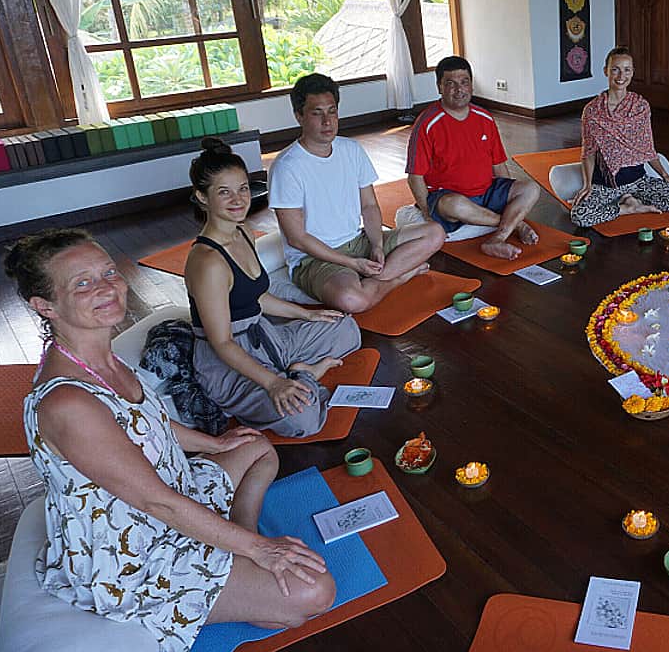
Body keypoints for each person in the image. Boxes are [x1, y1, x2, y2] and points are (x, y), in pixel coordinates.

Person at [6, 229, 335, 652]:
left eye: (108, 272)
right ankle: (238, 555)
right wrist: (263, 550)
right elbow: (154, 502)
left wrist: (215, 445)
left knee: (256, 449)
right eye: (82, 283)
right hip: (134, 547)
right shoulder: (67, 402)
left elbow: (147, 419)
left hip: (173, 491)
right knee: (315, 593)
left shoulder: (104, 356)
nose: (106, 287)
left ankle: (233, 542)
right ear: (44, 305)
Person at [186, 139, 362, 438]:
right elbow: (222, 343)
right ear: (202, 197)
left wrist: (307, 316)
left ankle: (297, 372)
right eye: (224, 192)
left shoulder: (242, 232)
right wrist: (273, 383)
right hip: (230, 361)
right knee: (303, 419)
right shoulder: (207, 262)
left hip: (265, 336)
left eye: (243, 188)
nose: (238, 199)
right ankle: (304, 374)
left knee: (346, 327)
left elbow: (256, 297)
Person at [270, 73, 444, 313]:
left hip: (359, 242)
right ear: (299, 116)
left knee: (435, 233)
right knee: (352, 300)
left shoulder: (351, 149)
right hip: (315, 259)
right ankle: (399, 277)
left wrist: (376, 246)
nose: (327, 121)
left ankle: (373, 278)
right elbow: (297, 238)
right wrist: (351, 263)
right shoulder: (286, 167)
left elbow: (369, 206)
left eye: (332, 111)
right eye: (316, 113)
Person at [406, 56, 542, 260]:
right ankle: (515, 224)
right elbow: (415, 177)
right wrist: (427, 214)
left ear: (471, 85)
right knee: (455, 205)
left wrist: (508, 194)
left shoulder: (484, 118)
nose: (459, 89)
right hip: (449, 199)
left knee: (531, 189)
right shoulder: (427, 123)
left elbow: (499, 164)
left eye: (464, 82)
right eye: (450, 83)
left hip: (486, 192)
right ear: (439, 87)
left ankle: (497, 239)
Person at [570, 47, 669, 226]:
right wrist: (587, 184)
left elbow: (647, 147)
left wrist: (664, 175)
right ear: (605, 71)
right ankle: (628, 208)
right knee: (580, 215)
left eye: (627, 69)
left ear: (632, 72)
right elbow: (589, 151)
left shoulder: (640, 106)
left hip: (639, 182)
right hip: (607, 187)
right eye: (615, 69)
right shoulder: (592, 111)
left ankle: (630, 200)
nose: (621, 75)